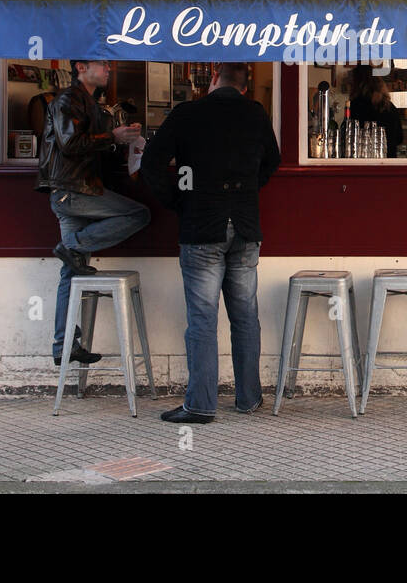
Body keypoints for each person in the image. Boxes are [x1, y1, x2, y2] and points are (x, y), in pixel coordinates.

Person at [140, 62, 281, 423]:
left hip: (201, 224)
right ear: (246, 87)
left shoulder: (188, 113)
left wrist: (175, 201)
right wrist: (247, 189)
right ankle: (249, 399)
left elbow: (151, 162)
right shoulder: (255, 114)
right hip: (246, 226)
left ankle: (201, 405)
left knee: (202, 320)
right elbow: (273, 161)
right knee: (245, 316)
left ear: (213, 79)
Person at [37, 59, 149, 367]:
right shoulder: (67, 99)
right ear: (82, 67)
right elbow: (70, 142)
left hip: (75, 189)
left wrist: (122, 136)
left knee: (71, 273)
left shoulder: (88, 103)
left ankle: (63, 346)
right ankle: (71, 247)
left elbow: (89, 145)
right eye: (103, 64)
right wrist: (113, 137)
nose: (110, 69)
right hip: (73, 190)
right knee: (138, 215)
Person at [349, 75, 403, 157]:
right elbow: (399, 138)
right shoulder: (390, 107)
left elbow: (350, 135)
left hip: (363, 158)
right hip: (389, 158)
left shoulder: (357, 105)